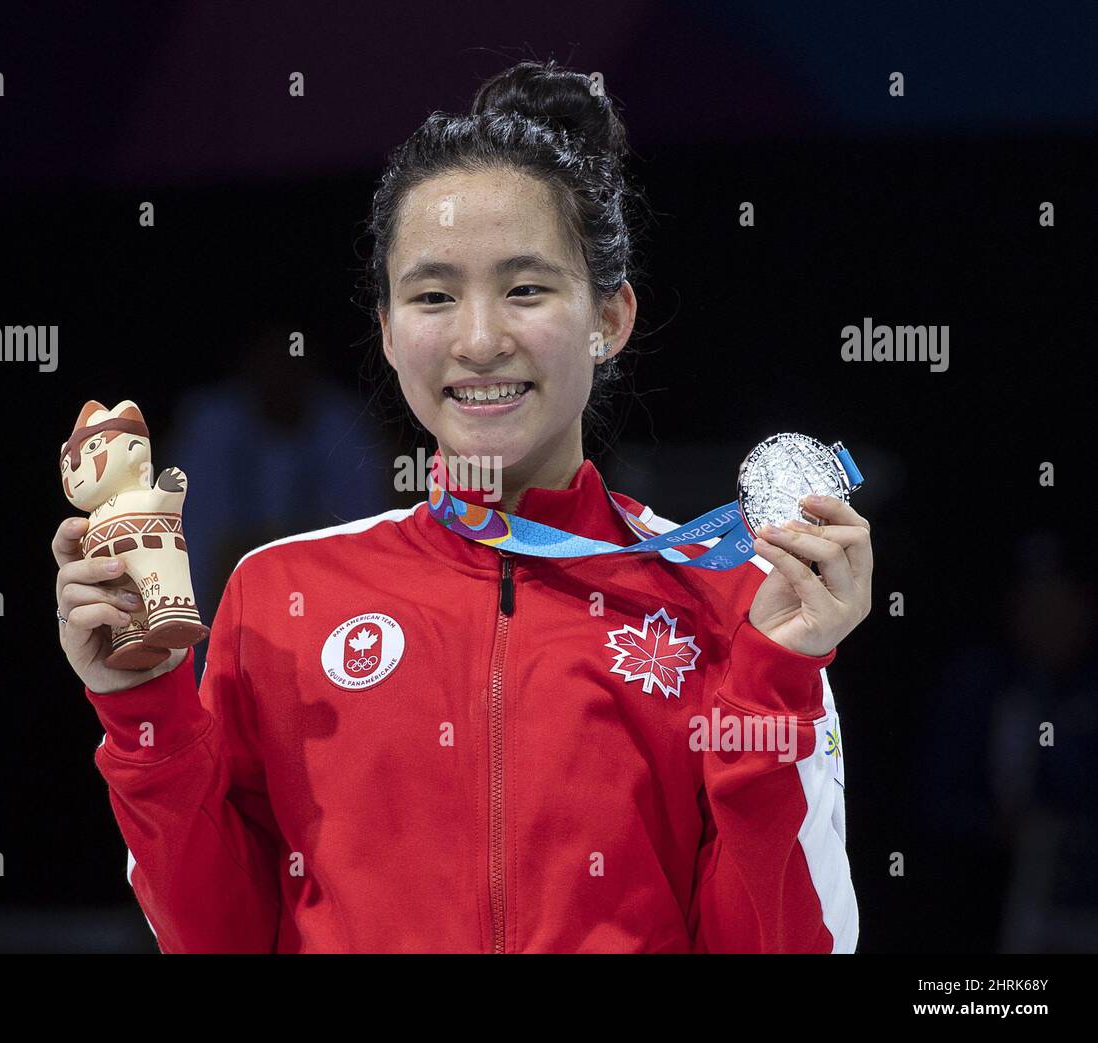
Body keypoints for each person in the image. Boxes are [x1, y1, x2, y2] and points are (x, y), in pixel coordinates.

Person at [51, 59, 871, 953]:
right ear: (390, 331)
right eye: (434, 296)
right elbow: (219, 936)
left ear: (611, 317)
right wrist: (143, 709)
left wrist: (775, 683)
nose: (480, 341)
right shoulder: (281, 597)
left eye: (526, 289)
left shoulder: (733, 602)